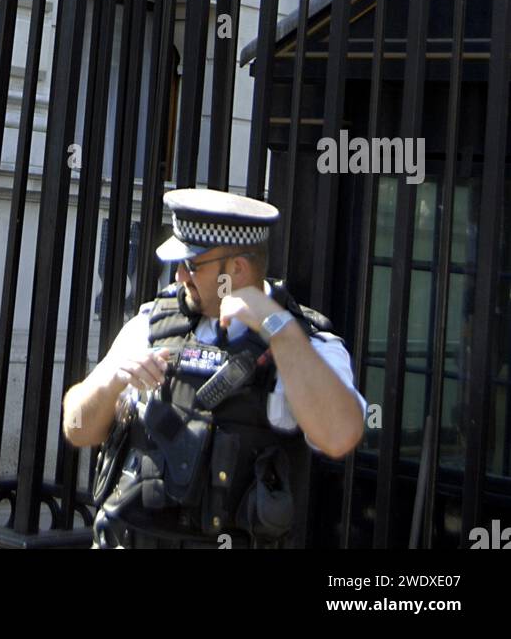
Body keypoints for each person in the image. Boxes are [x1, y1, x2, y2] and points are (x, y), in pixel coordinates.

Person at [62, 188, 366, 549]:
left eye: (191, 265)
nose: (178, 278)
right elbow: (76, 429)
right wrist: (112, 381)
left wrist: (278, 329)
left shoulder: (306, 343)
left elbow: (340, 437)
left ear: (236, 269)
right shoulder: (151, 323)